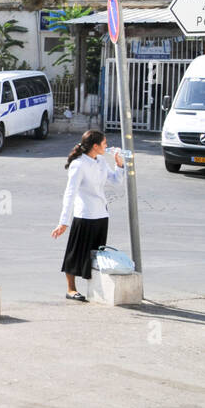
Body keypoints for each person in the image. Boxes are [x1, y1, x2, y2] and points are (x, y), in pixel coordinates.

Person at [51, 129, 126, 302]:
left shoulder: (100, 160)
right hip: (84, 214)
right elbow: (70, 193)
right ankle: (71, 289)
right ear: (95, 146)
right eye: (104, 143)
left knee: (96, 254)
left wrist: (119, 164)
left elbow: (115, 181)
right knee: (76, 253)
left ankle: (96, 289)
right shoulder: (79, 165)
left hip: (101, 213)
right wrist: (63, 222)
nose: (107, 146)